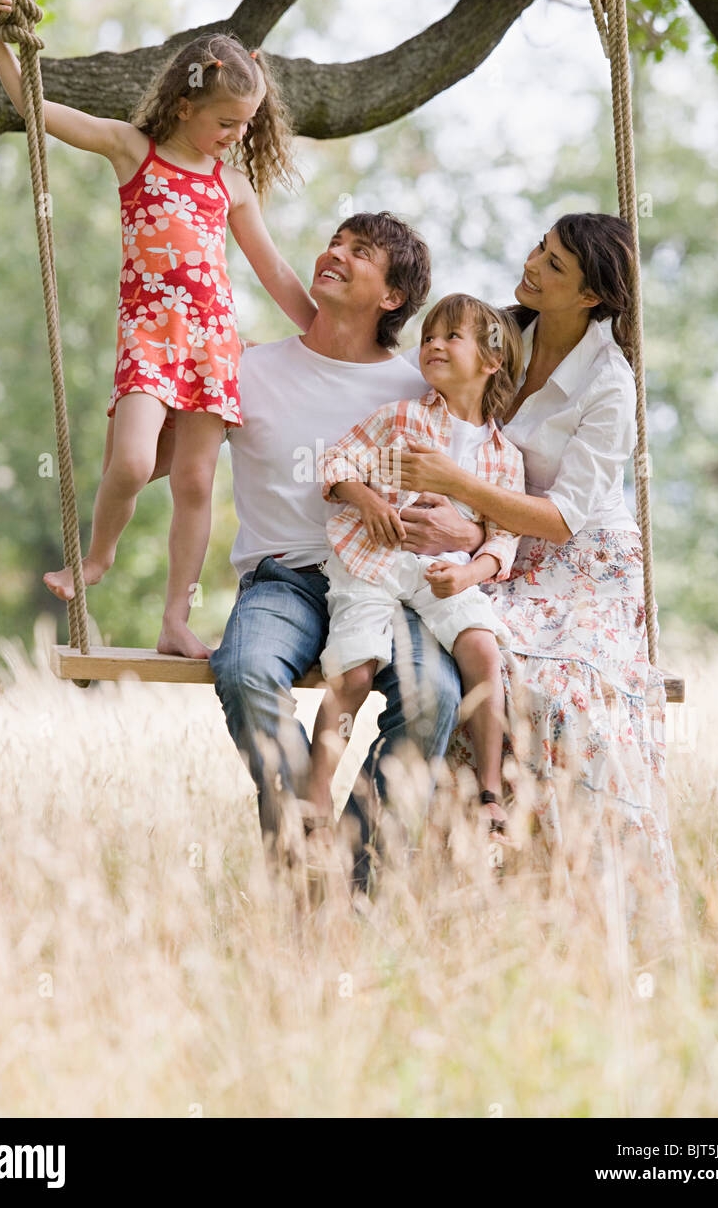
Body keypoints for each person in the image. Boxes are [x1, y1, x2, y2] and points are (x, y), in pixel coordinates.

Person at [0, 0, 316, 659]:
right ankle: (95, 560)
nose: (236, 136)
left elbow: (274, 271)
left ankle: (174, 619)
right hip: (150, 338)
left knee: (194, 483)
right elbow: (35, 110)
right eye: (225, 123)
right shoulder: (134, 151)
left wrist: (325, 336)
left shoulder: (231, 185)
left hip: (214, 346)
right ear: (184, 105)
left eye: (245, 125)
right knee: (131, 463)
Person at [396, 214, 679, 936]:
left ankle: (592, 896)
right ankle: (474, 900)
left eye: (553, 267)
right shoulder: (497, 336)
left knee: (560, 694)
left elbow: (561, 518)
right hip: (499, 551)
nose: (532, 265)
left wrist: (461, 490)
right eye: (540, 250)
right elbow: (436, 408)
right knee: (475, 667)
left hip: (583, 562)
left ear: (589, 298)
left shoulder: (610, 385)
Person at [208, 212, 463, 878]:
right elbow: (169, 464)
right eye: (335, 244)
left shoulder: (419, 389)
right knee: (243, 670)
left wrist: (464, 532)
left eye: (361, 252)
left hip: (382, 586)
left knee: (434, 694)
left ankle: (357, 879)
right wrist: (142, 407)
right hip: (283, 581)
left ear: (393, 297)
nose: (335, 254)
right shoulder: (248, 368)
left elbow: (471, 493)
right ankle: (301, 845)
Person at [304, 295, 525, 848]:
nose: (433, 345)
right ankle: (313, 795)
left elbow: (504, 538)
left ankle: (491, 791)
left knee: (482, 648)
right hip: (373, 564)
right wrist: (368, 502)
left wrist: (469, 576)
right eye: (429, 336)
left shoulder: (505, 456)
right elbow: (335, 461)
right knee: (354, 671)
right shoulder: (403, 417)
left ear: (491, 360)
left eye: (452, 337)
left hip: (442, 572)